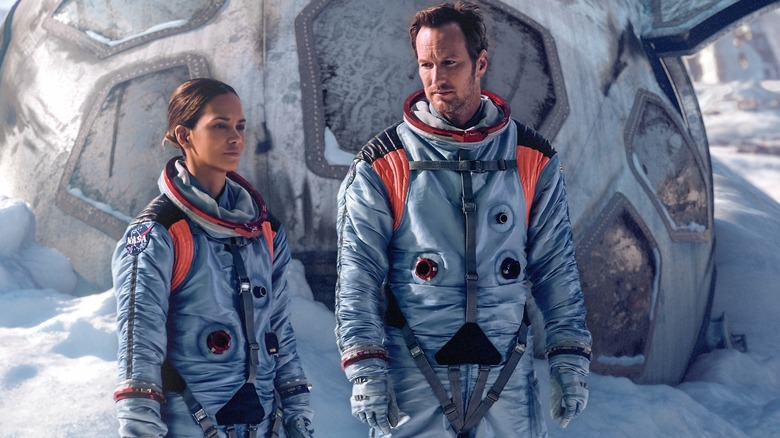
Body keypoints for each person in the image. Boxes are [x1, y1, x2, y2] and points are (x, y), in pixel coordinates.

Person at [335, 2, 592, 437]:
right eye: (426, 64)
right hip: (416, 372)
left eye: (450, 63)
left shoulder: (531, 159)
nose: (436, 78)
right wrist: (364, 367)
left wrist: (569, 355)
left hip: (504, 374)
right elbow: (357, 274)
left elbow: (555, 267)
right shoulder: (385, 165)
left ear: (481, 63)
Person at [112, 78, 314, 438]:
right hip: (190, 420)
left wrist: (297, 408)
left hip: (265, 421)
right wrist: (139, 422)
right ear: (185, 135)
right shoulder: (158, 233)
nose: (235, 137)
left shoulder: (264, 231)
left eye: (240, 126)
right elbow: (139, 339)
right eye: (220, 125)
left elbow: (279, 328)